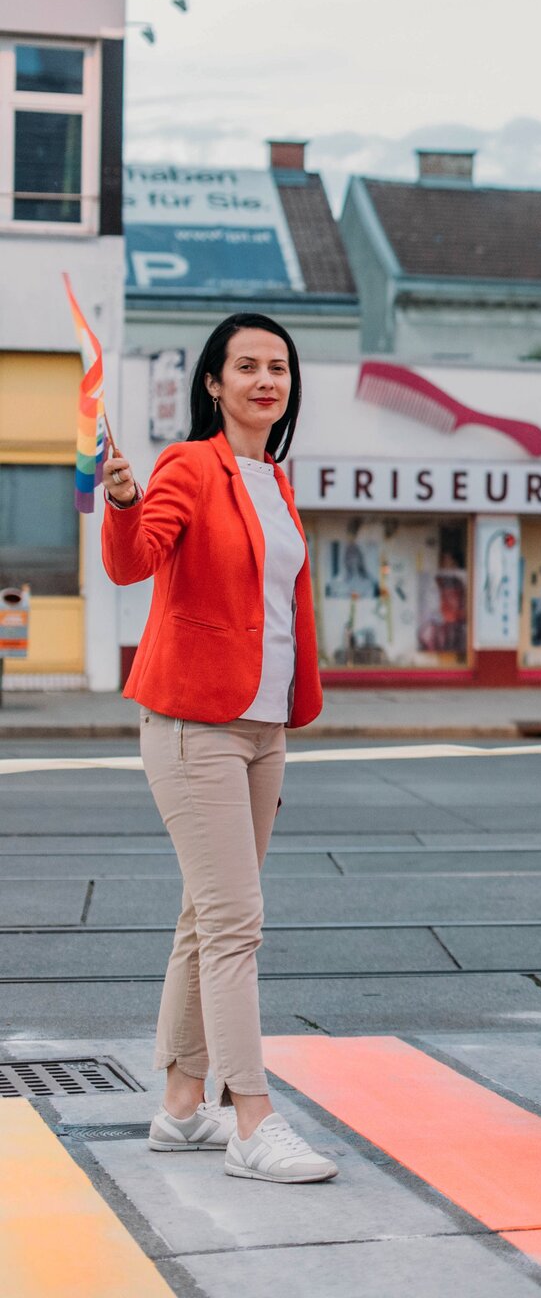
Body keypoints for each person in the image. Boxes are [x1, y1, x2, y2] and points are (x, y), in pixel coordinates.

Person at [101, 313, 337, 1184]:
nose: (265, 380)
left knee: (206, 920)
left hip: (262, 725)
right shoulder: (188, 465)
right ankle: (252, 1122)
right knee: (236, 923)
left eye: (278, 367)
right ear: (214, 382)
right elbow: (136, 560)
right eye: (247, 366)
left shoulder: (274, 479)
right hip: (193, 722)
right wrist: (124, 502)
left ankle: (179, 1110)